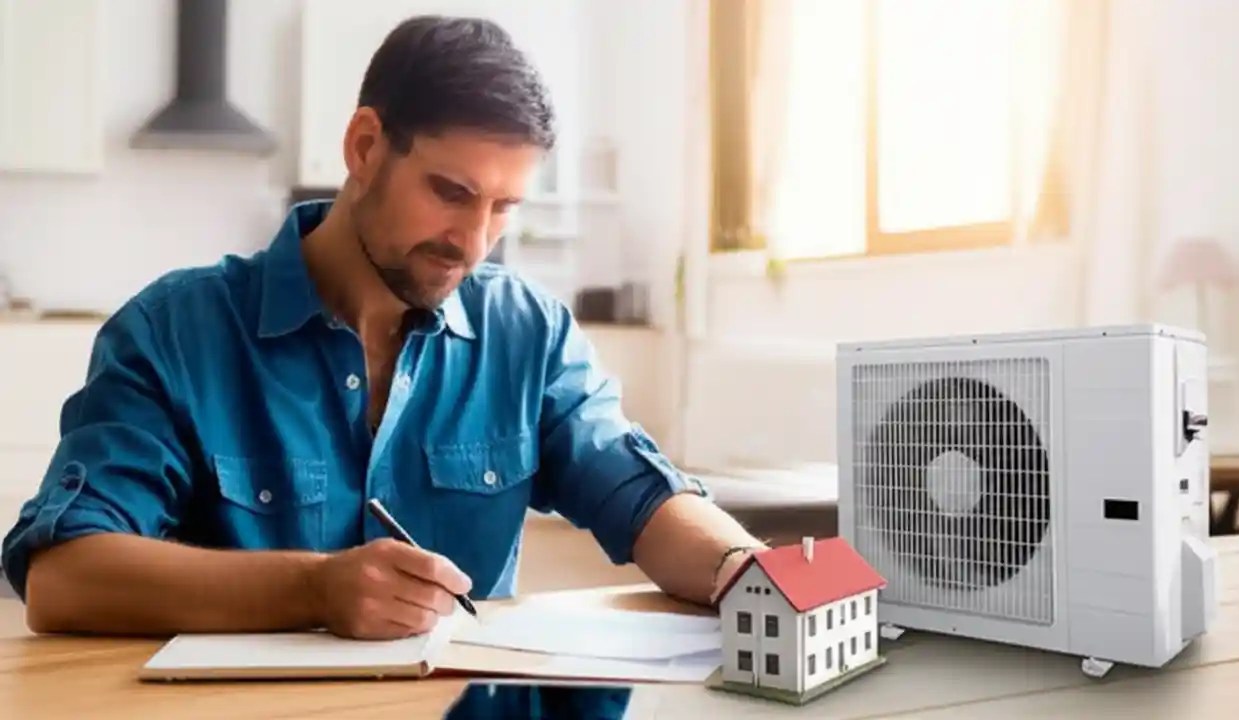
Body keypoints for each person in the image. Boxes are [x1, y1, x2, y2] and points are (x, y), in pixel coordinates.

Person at [0, 15, 765, 639]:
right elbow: (65, 578)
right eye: (450, 192)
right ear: (365, 147)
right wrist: (315, 589)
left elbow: (641, 495)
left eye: (503, 208)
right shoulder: (174, 332)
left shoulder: (529, 335)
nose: (472, 242)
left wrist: (749, 573)